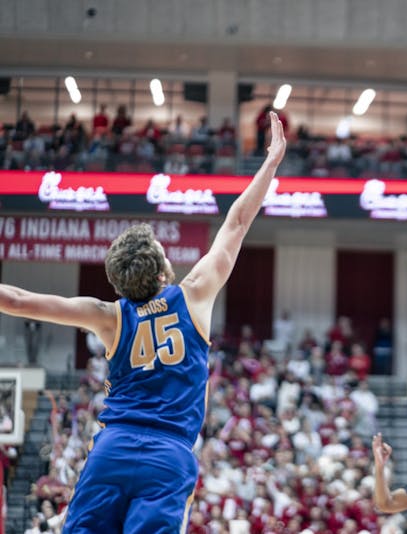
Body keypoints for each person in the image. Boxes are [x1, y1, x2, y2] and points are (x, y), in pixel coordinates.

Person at [0, 111, 287, 534]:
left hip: (112, 449)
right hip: (168, 456)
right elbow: (237, 222)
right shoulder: (193, 294)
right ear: (159, 272)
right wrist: (271, 161)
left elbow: (19, 299)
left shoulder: (108, 316)